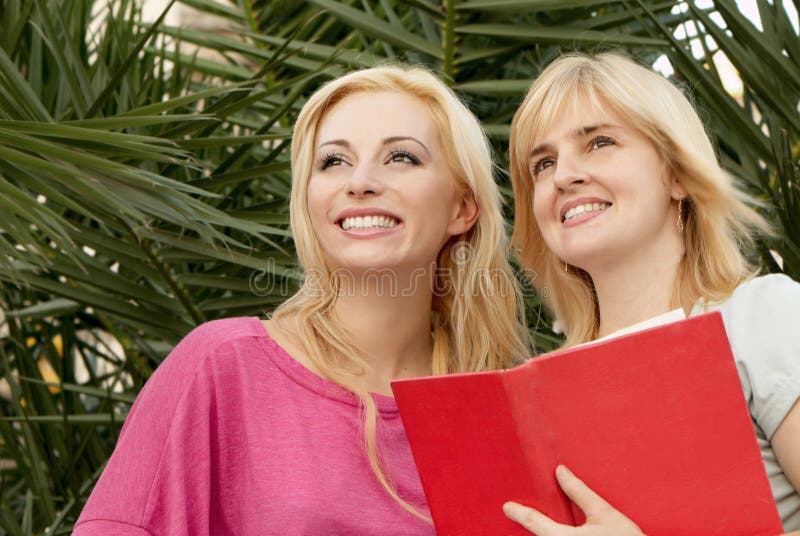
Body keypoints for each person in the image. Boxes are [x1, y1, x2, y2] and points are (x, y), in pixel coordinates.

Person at [73, 65, 530, 535]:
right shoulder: (223, 365)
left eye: (401, 157)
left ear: (462, 208)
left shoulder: (501, 418)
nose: (361, 181)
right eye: (333, 162)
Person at [504, 51, 800, 535]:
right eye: (542, 163)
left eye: (599, 142)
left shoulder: (763, 317)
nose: (563, 176)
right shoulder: (537, 395)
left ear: (677, 174)